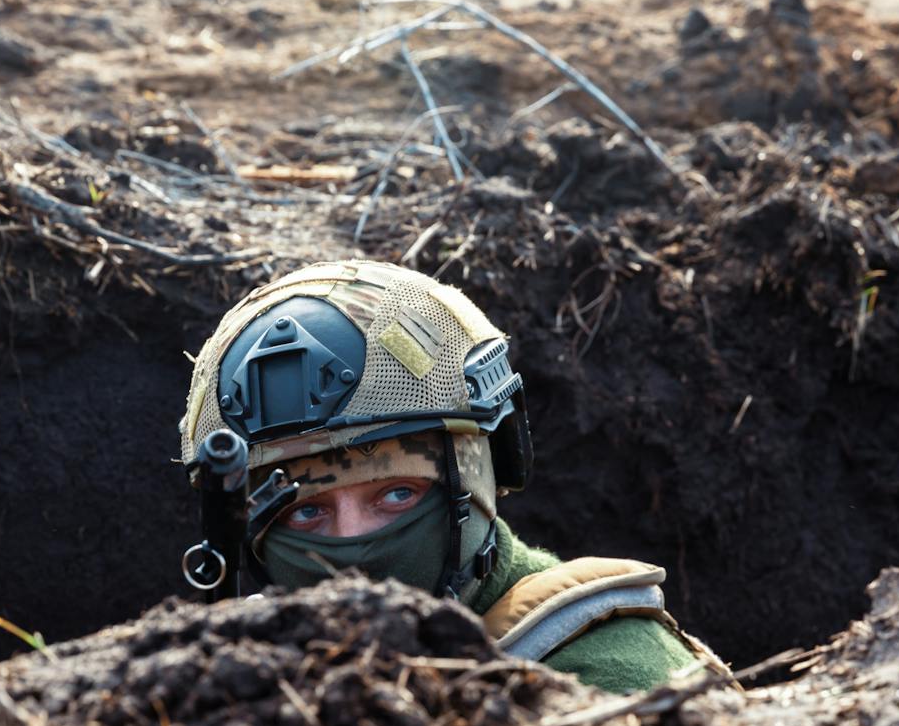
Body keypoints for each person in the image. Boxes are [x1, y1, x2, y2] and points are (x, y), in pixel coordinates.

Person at [179, 259, 725, 693]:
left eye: (396, 494)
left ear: (478, 480)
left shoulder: (608, 676)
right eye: (306, 512)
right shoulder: (247, 663)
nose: (350, 554)